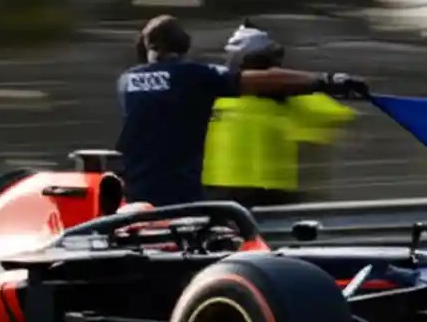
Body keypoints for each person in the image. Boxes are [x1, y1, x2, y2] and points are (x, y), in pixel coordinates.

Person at [113, 14, 367, 208]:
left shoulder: (126, 80)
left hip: (137, 194)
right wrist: (326, 80)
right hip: (184, 196)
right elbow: (252, 80)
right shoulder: (195, 78)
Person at [203, 21, 357, 207]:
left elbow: (336, 116)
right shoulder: (286, 95)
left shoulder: (214, 92)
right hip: (254, 194)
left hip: (233, 194)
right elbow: (337, 116)